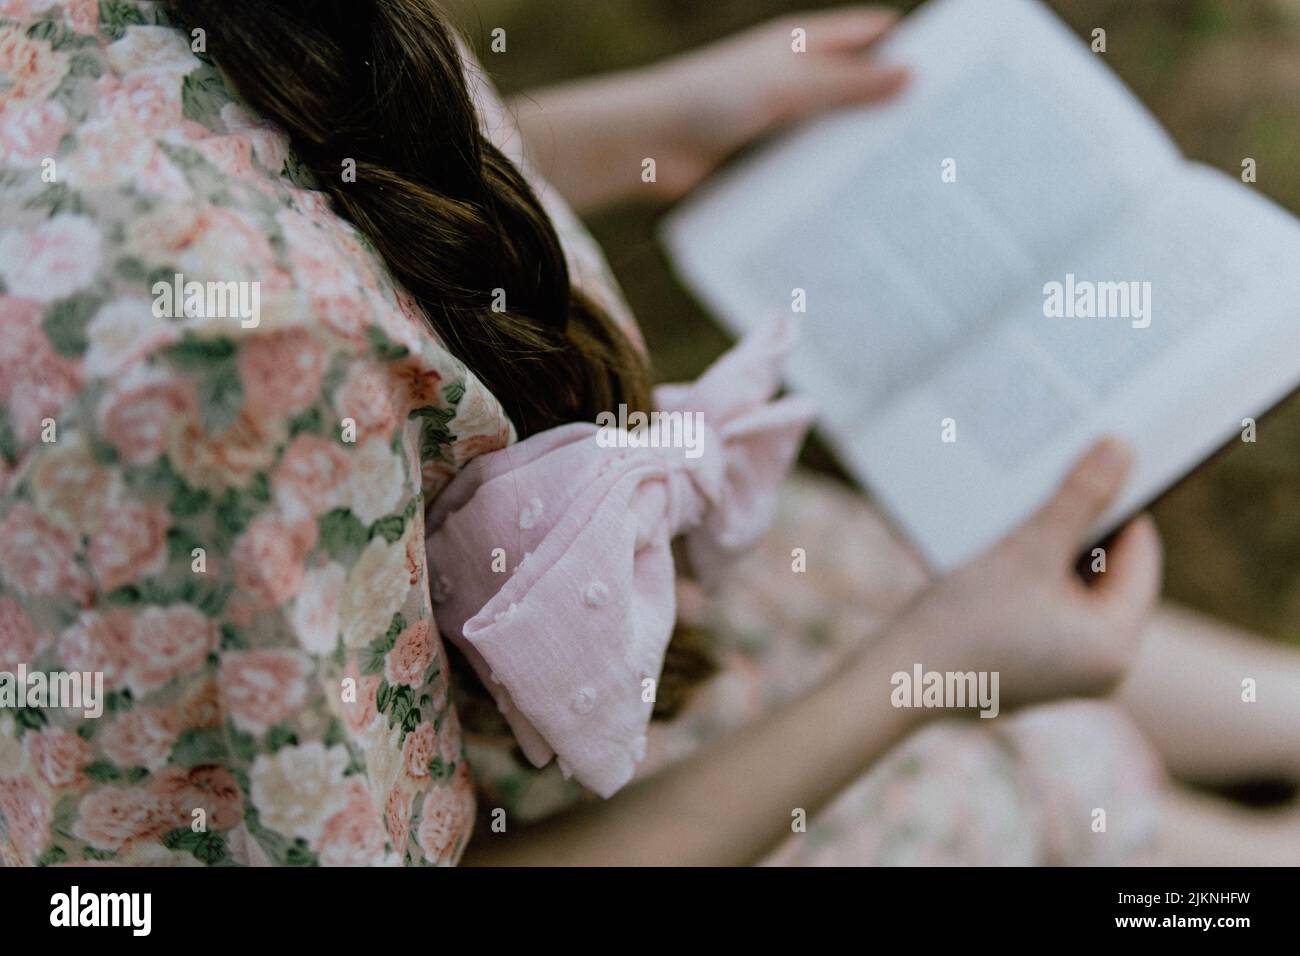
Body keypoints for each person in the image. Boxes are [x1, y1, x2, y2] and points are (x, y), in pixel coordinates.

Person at [0, 0, 1296, 866]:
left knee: (849, 570)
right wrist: (921, 676)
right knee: (1015, 801)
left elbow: (274, 180)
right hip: (588, 810)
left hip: (653, 617)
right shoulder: (224, 382)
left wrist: (640, 131)